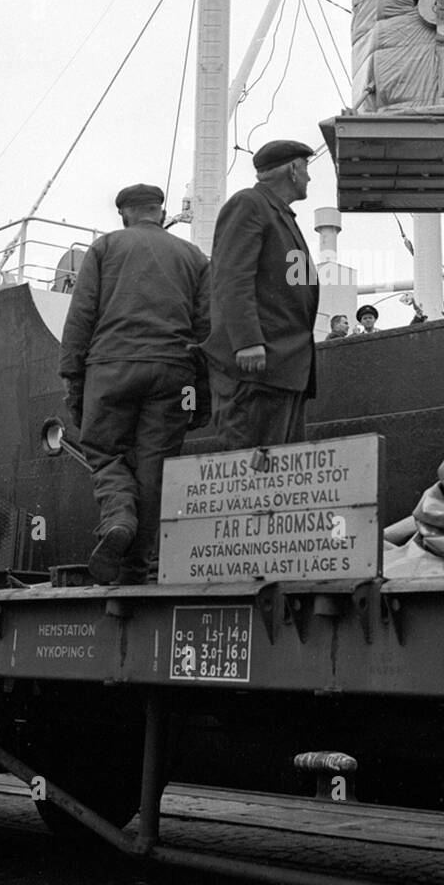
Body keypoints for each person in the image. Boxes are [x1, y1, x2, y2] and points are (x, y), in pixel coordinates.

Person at [58, 184, 210, 585]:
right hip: (173, 370)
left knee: (105, 451)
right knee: (154, 469)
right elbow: (207, 328)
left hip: (112, 367)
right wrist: (204, 394)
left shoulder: (105, 247)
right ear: (160, 213)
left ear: (125, 214)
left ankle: (118, 517)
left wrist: (73, 378)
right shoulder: (193, 256)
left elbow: (81, 315)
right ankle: (133, 569)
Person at [202, 140, 319, 449]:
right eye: (306, 168)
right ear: (293, 170)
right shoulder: (250, 204)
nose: (309, 177)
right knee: (251, 475)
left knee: (281, 472)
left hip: (284, 368)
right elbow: (231, 276)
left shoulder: (282, 216)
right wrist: (247, 340)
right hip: (257, 368)